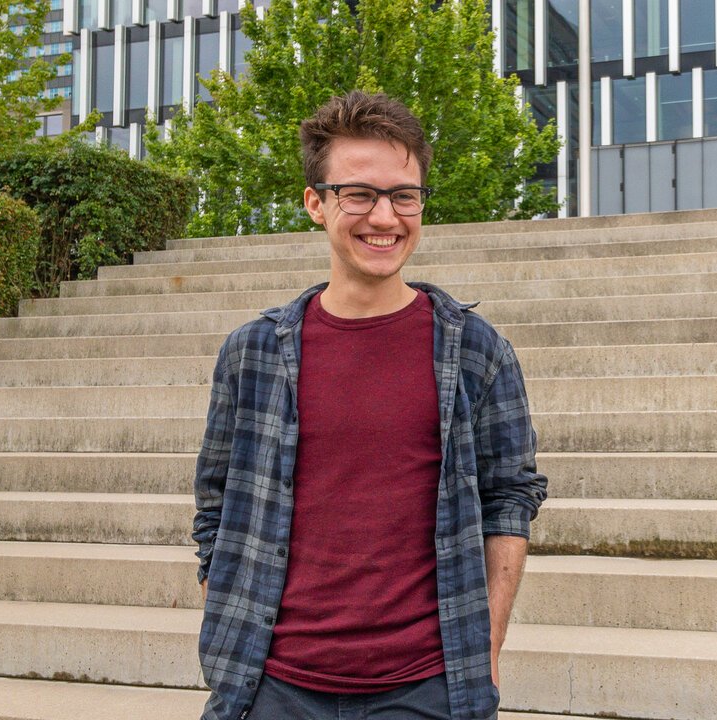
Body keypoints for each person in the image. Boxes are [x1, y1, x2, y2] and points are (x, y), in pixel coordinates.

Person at [191, 90, 547, 720]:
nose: (384, 216)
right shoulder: (252, 354)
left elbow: (509, 500)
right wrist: (232, 646)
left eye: (403, 195)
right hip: (271, 689)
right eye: (359, 194)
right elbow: (215, 510)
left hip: (426, 690)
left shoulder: (476, 352)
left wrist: (486, 647)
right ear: (316, 203)